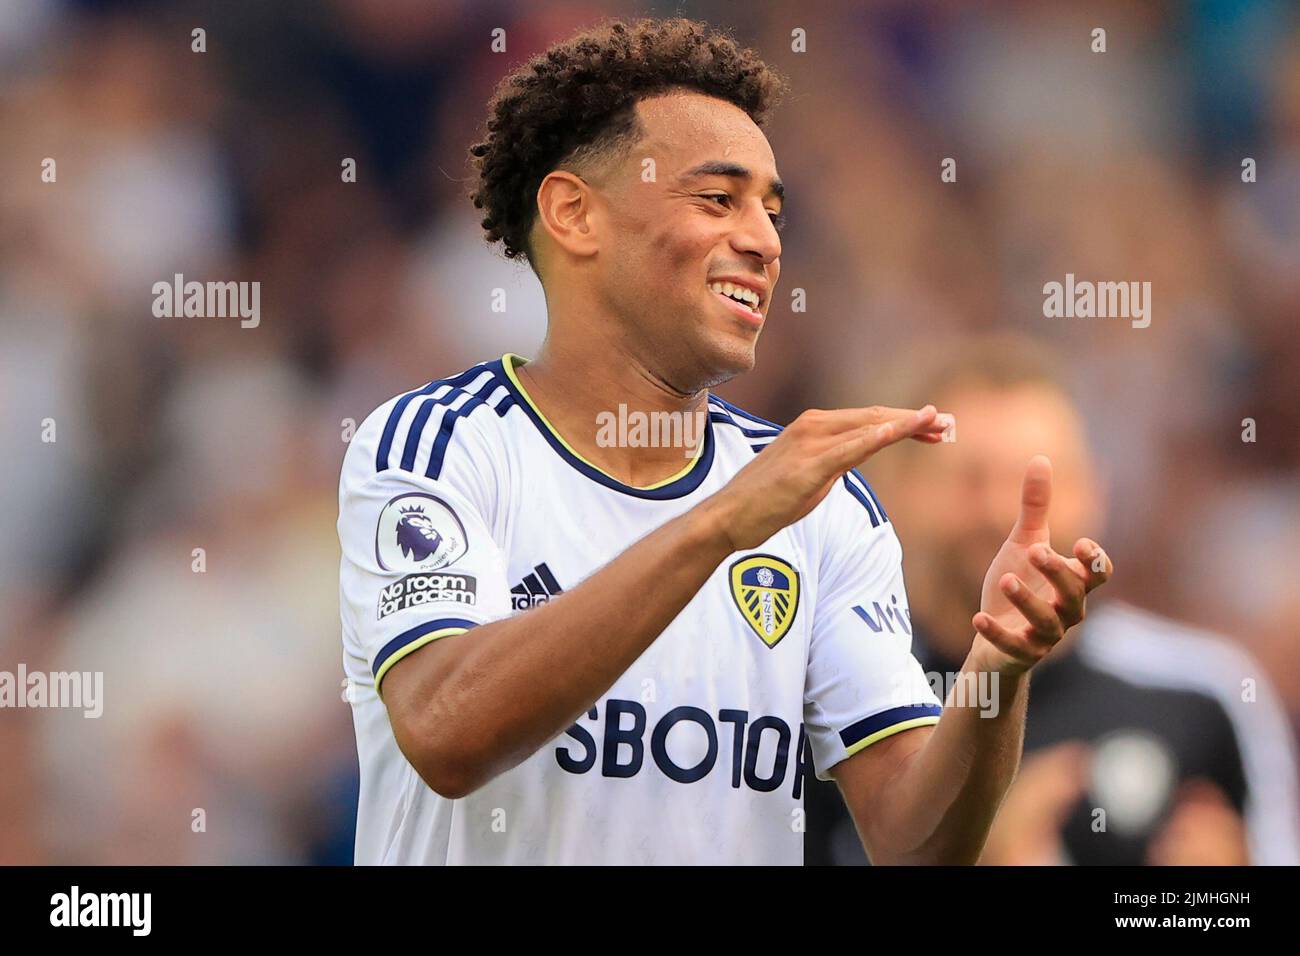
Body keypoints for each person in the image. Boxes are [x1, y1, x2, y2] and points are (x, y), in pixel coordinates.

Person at [336, 18, 1110, 865]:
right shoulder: (439, 447)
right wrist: (720, 525)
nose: (766, 242)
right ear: (574, 213)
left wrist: (995, 670)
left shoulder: (822, 505)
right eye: (718, 199)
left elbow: (916, 847)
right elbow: (448, 733)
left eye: (773, 211)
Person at [805, 335, 1299, 865]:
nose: (1005, 514)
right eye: (971, 480)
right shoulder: (830, 695)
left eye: (1040, 483)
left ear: (1095, 492)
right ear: (892, 491)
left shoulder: (1205, 693)